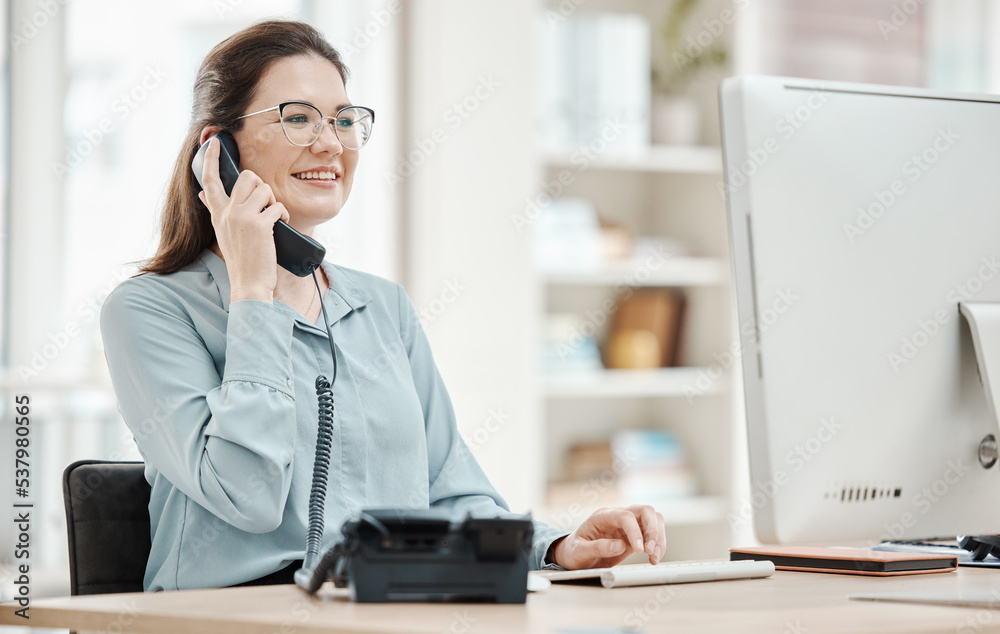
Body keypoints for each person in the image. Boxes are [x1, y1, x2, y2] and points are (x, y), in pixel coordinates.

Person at [100, 19, 666, 592]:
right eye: (298, 118)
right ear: (217, 150)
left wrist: (558, 548)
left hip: (378, 611)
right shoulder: (148, 311)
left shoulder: (381, 307)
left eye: (344, 120)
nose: (331, 142)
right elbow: (247, 495)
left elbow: (449, 492)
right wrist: (253, 291)